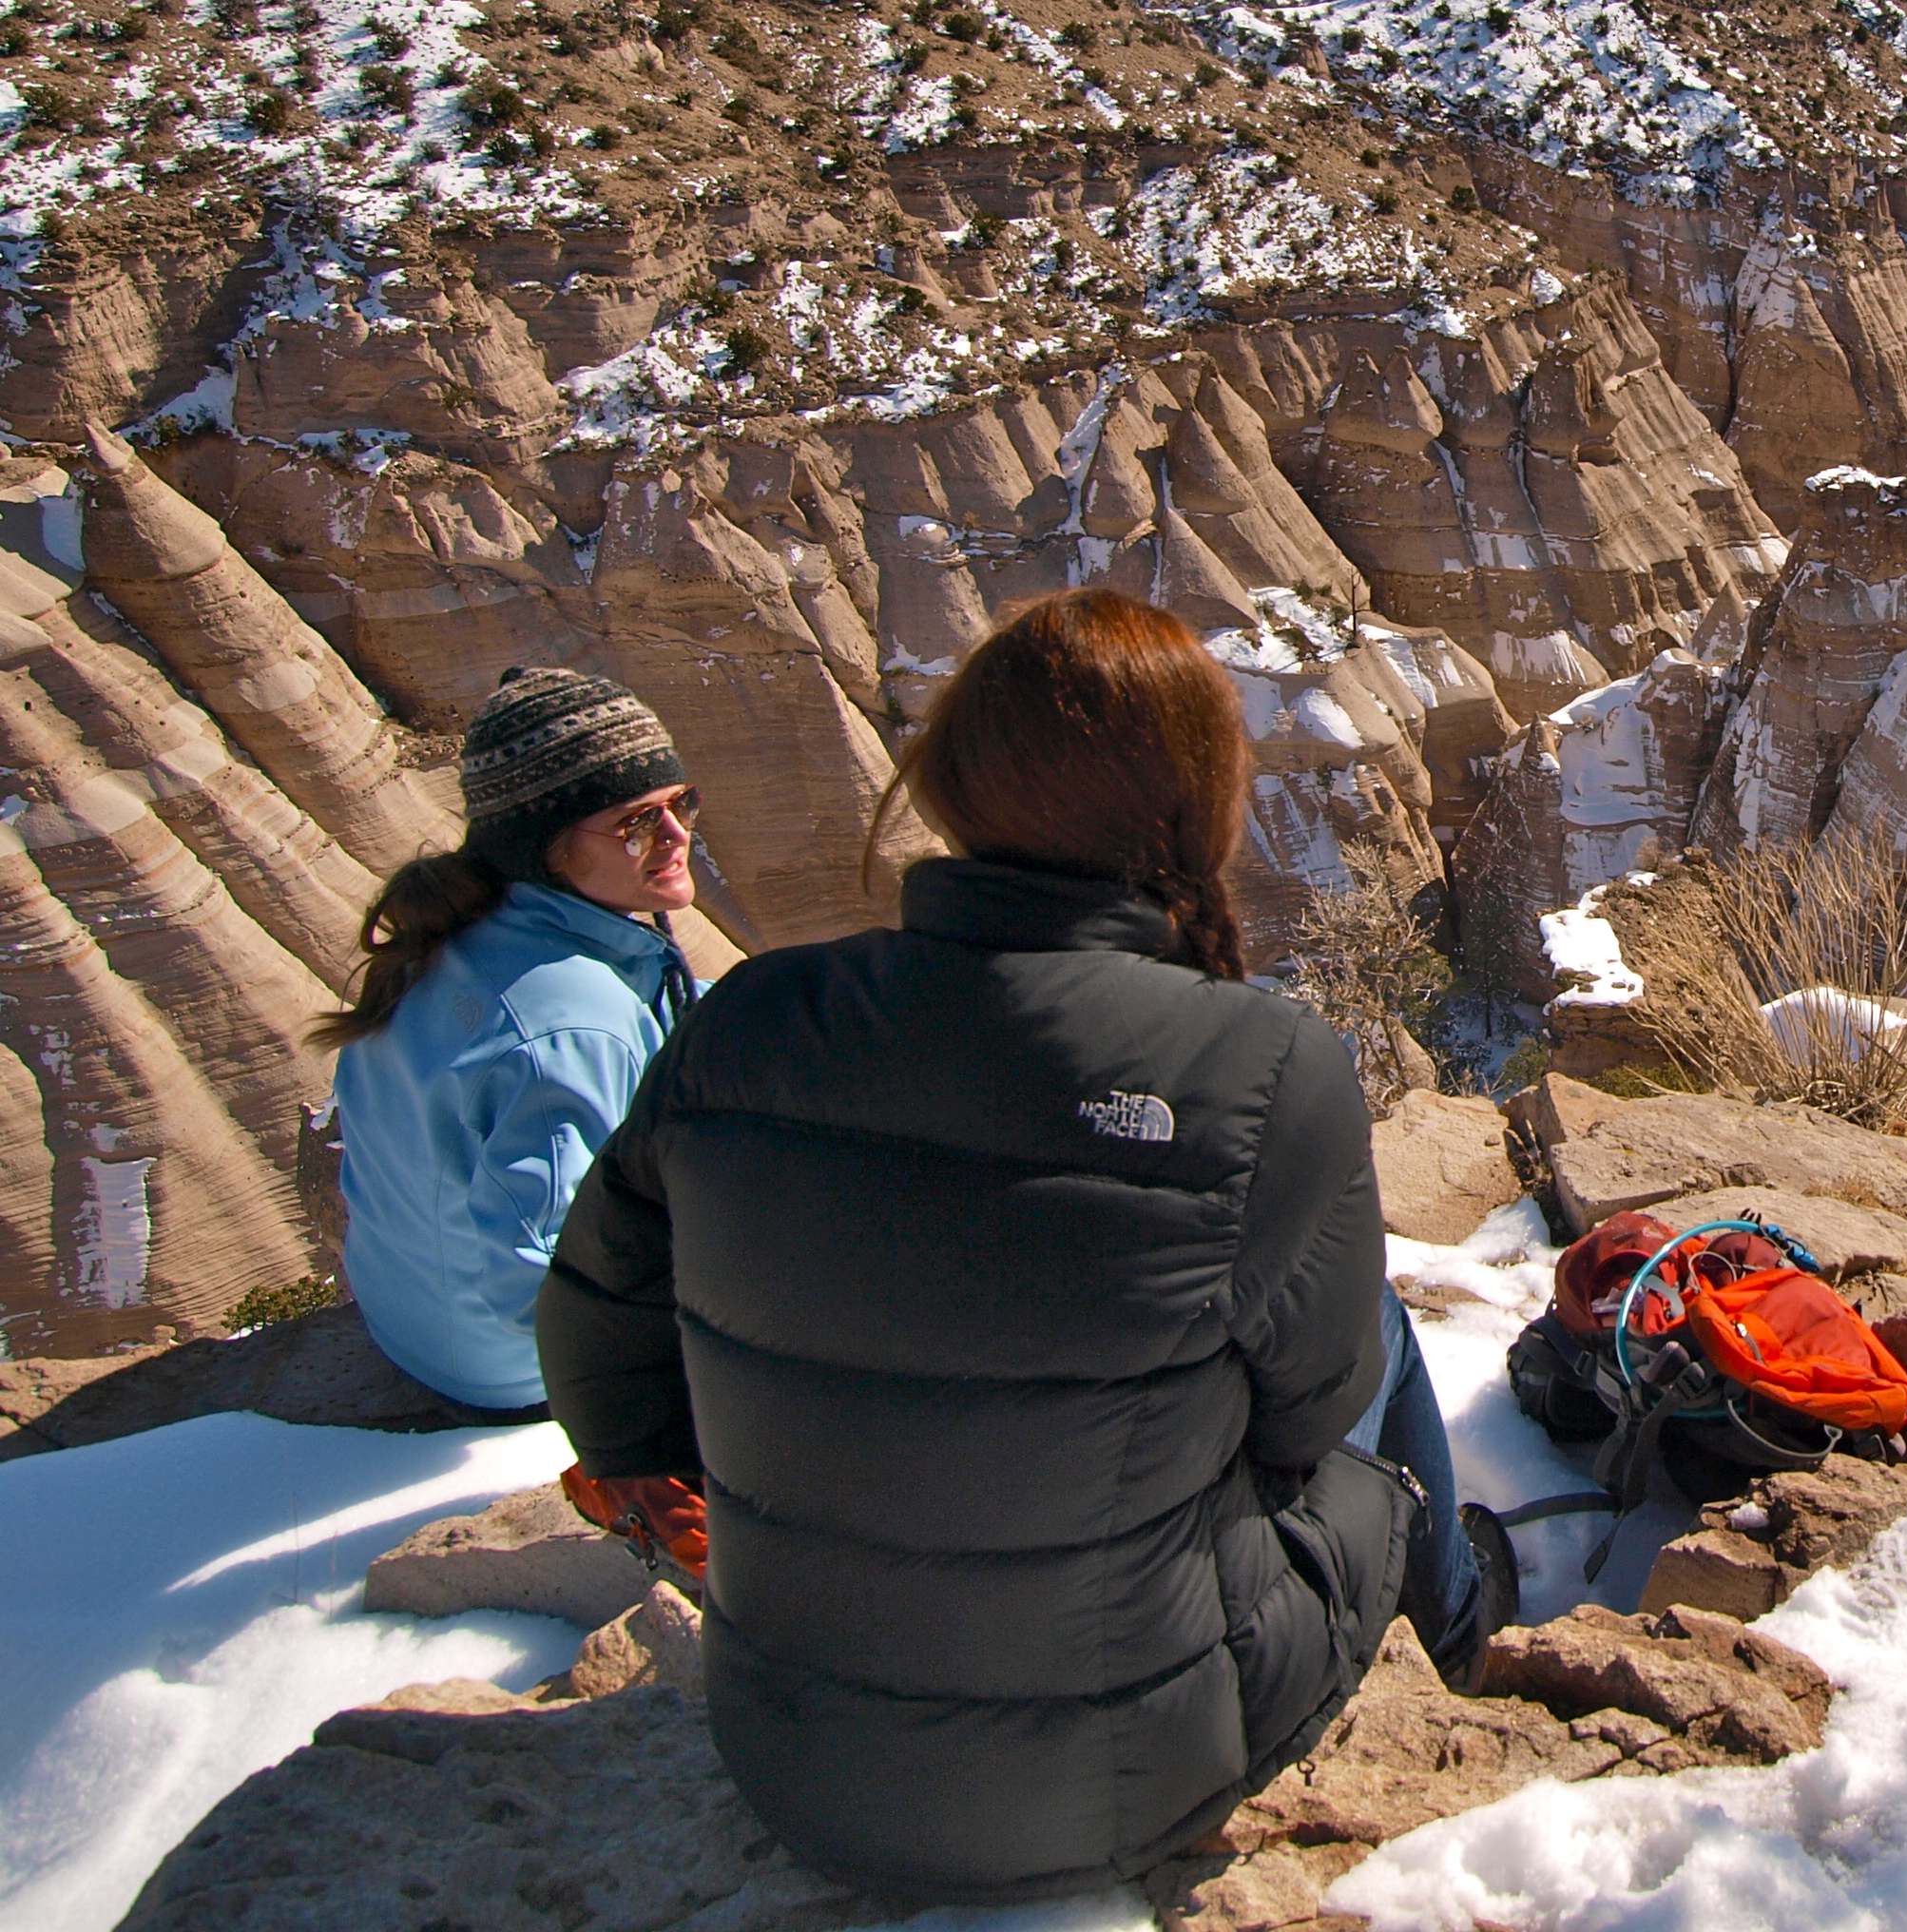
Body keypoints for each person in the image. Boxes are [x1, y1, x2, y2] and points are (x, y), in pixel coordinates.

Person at [536, 589, 1512, 1905]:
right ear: (1190, 804)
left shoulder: (752, 1017)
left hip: (790, 1756)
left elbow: (594, 1333)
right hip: (1121, 1786)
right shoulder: (1260, 1067)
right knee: (1378, 1355)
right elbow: (1310, 1419)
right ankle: (1462, 1625)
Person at [318, 667, 702, 1422]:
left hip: (413, 1324)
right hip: (507, 1373)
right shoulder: (572, 1024)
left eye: (681, 804)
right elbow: (538, 1286)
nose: (678, 836)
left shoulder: (468, 937)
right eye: (636, 823)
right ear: (548, 848)